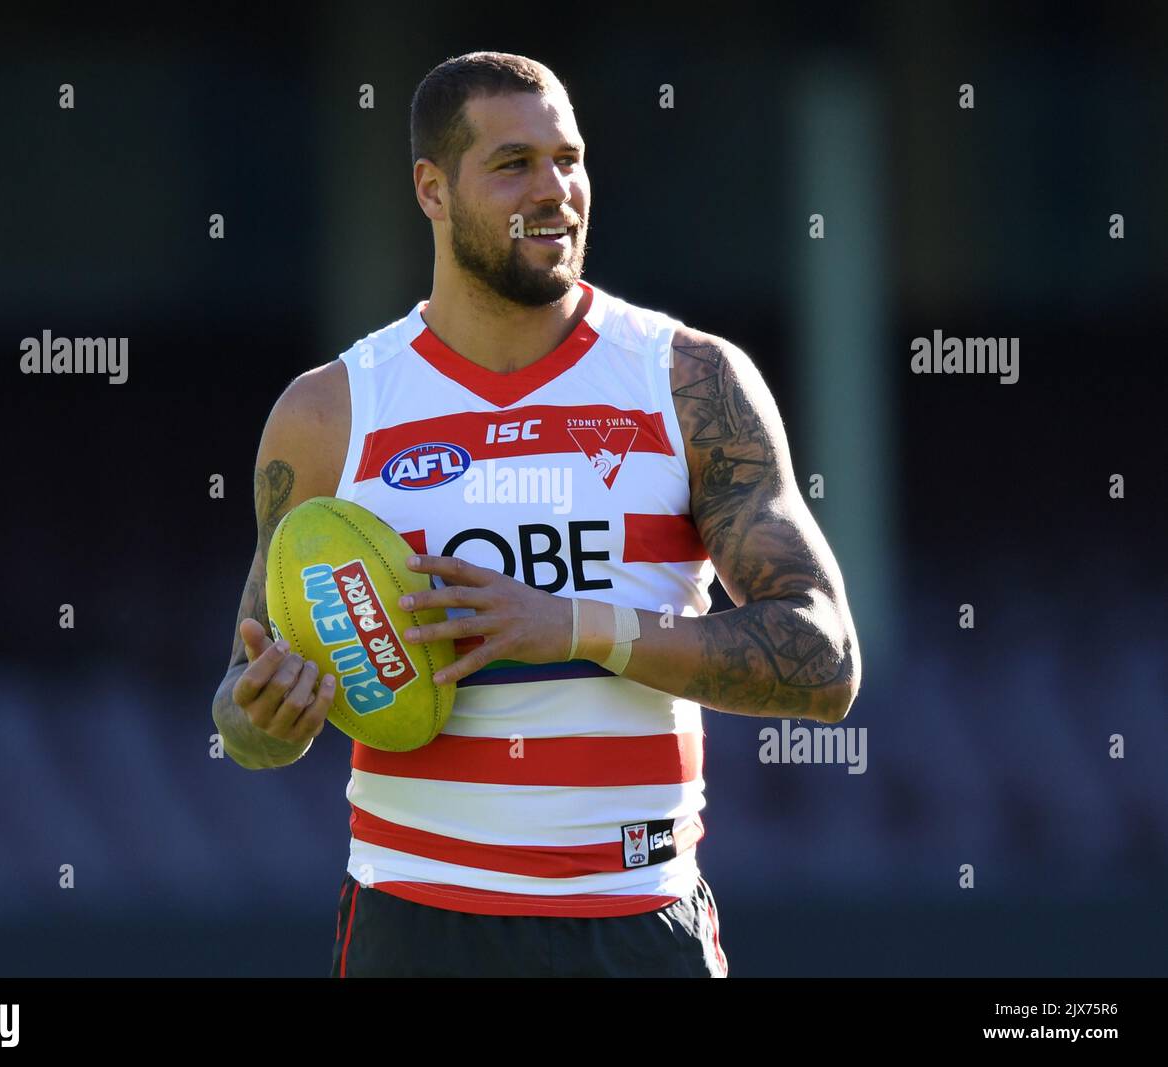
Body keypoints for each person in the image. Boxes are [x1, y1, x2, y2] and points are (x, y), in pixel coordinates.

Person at [210, 51, 860, 978]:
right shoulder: (329, 413)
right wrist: (267, 715)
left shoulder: (687, 379)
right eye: (514, 163)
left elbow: (824, 661)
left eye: (570, 158)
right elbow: (241, 711)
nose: (555, 189)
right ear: (432, 190)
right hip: (416, 917)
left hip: (638, 918)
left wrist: (575, 627)